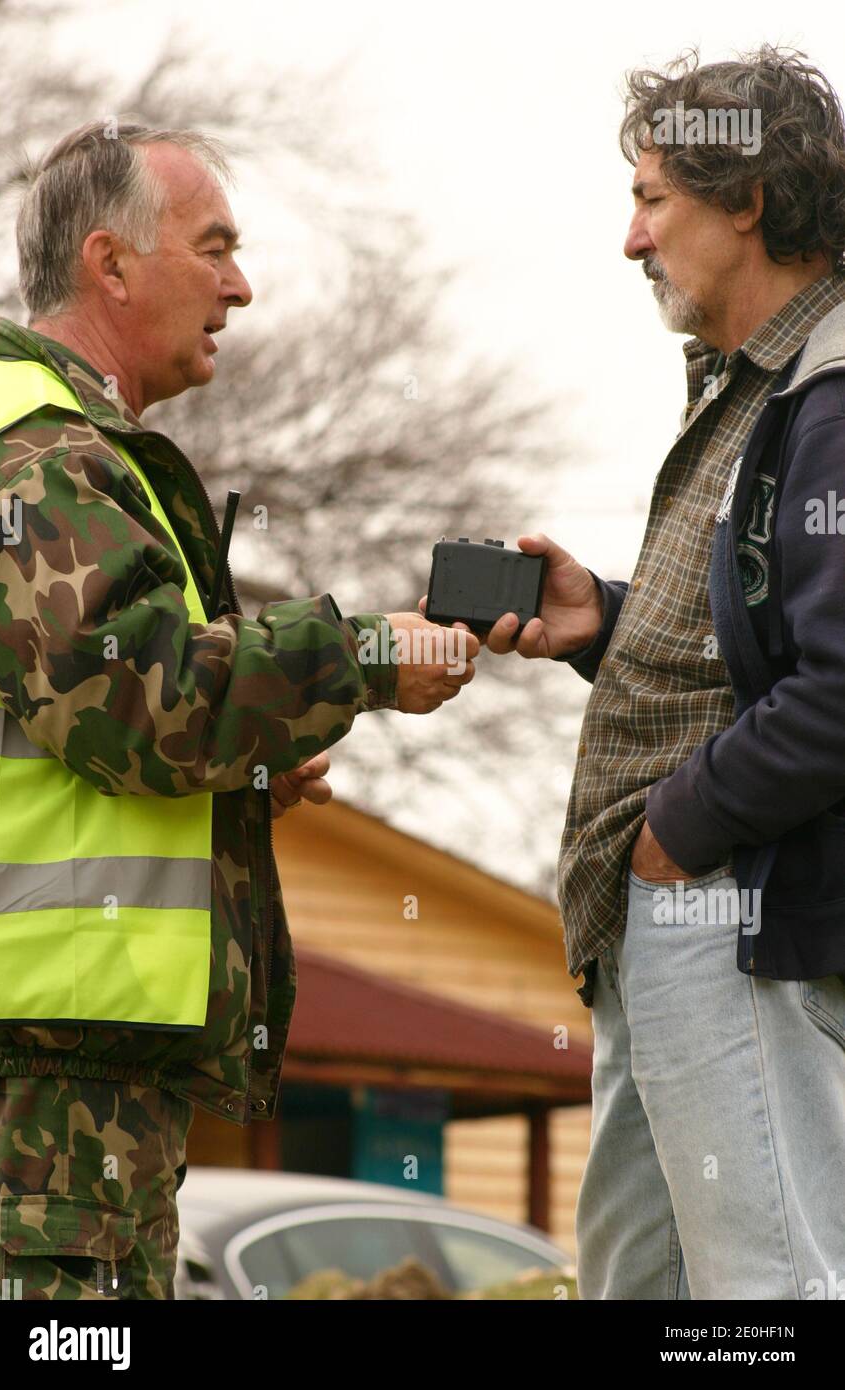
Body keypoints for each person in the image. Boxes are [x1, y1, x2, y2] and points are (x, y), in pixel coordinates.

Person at [0, 120, 478, 1300]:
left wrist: (246, 777)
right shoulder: (38, 459)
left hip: (69, 1048)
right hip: (52, 1059)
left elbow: (84, 737)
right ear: (110, 264)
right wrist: (358, 656)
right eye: (214, 249)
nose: (239, 287)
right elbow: (139, 696)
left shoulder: (69, 453)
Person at [435, 46, 845, 1299]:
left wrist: (676, 830)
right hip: (663, 922)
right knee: (641, 1285)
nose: (629, 239)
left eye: (650, 197)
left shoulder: (825, 399)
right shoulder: (760, 386)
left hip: (729, 914)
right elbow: (756, 647)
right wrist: (602, 622)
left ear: (747, 201)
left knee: (764, 1290)